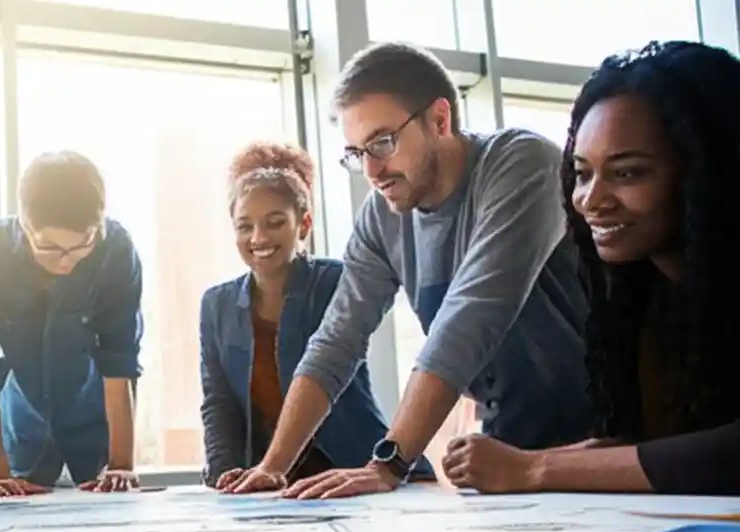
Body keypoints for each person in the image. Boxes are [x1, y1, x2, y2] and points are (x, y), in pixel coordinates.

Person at [218, 41, 590, 499]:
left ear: (439, 120)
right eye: (357, 153)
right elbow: (337, 341)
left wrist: (389, 464)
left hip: (605, 438)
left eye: (382, 143)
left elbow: (469, 318)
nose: (372, 170)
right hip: (509, 455)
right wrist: (273, 467)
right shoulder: (382, 217)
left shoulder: (521, 164)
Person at [443, 40, 740, 496]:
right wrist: (568, 457)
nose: (590, 201)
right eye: (582, 174)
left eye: (627, 173)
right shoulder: (649, 302)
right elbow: (679, 442)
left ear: (706, 171)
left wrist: (536, 469)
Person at [200, 141, 432, 486]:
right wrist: (224, 474)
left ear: (304, 225)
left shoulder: (336, 282)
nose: (258, 237)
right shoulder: (216, 304)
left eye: (275, 222)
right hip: (268, 481)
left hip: (351, 467)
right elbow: (218, 401)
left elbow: (330, 364)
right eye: (244, 226)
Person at [0, 151, 142, 495]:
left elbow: (120, 361)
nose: (67, 262)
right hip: (23, 430)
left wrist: (121, 466)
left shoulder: (115, 249)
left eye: (83, 244)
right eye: (50, 248)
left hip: (95, 425)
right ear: (24, 225)